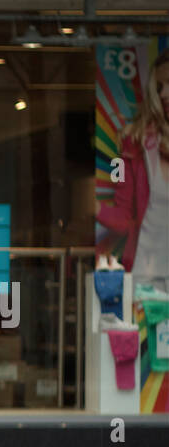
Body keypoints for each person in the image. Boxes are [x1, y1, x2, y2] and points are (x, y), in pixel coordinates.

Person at [98, 47, 169, 281]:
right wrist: (92, 208)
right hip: (145, 278)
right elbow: (122, 216)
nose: (164, 94)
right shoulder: (132, 144)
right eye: (159, 88)